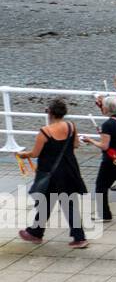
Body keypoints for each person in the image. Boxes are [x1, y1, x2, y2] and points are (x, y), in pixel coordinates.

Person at [17, 99, 88, 248]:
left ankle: (79, 237)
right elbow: (75, 145)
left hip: (51, 173)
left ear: (50, 113)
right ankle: (36, 232)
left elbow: (35, 153)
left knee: (56, 203)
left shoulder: (45, 132)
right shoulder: (70, 126)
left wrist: (23, 155)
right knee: (56, 202)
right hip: (69, 169)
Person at [80, 94, 116, 223]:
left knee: (101, 186)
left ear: (106, 109)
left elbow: (104, 146)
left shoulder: (107, 125)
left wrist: (90, 140)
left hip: (111, 160)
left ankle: (104, 214)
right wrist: (102, 105)